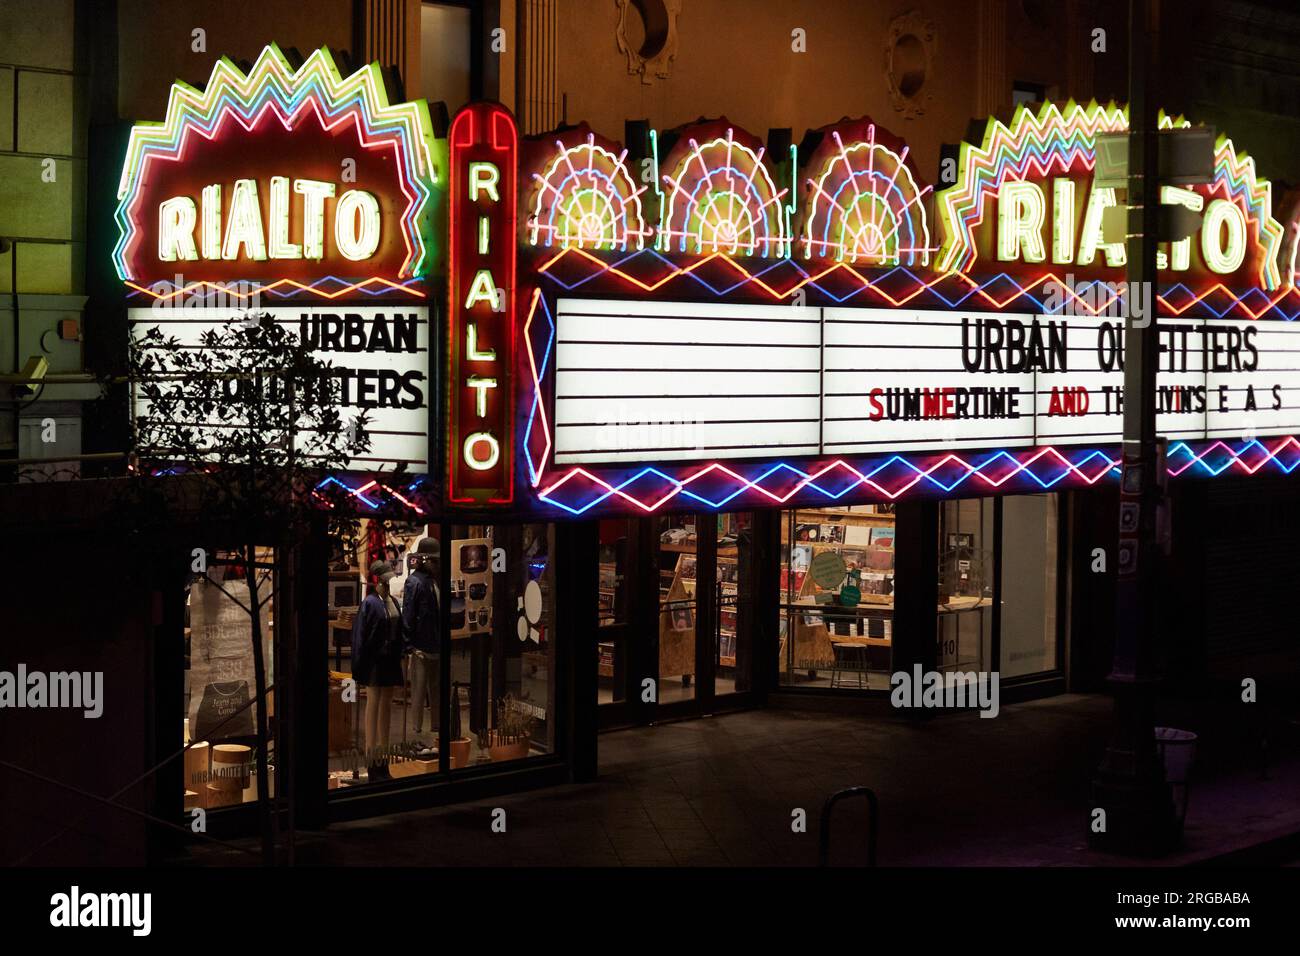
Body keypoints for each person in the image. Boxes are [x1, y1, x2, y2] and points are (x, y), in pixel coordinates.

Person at [352, 559, 403, 781]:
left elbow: (400, 628)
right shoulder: (370, 603)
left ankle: (383, 758)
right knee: (373, 705)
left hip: (390, 660)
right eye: (384, 580)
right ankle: (372, 760)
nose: (387, 584)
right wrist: (358, 666)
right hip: (374, 661)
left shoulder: (392, 602)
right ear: (378, 581)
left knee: (386, 707)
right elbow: (360, 637)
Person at [402, 538, 441, 738]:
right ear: (425, 560)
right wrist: (409, 645)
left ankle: (435, 724)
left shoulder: (431, 583)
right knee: (418, 689)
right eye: (433, 561)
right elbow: (408, 614)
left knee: (435, 688)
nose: (436, 565)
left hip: (434, 642)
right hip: (421, 644)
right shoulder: (415, 582)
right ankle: (416, 728)